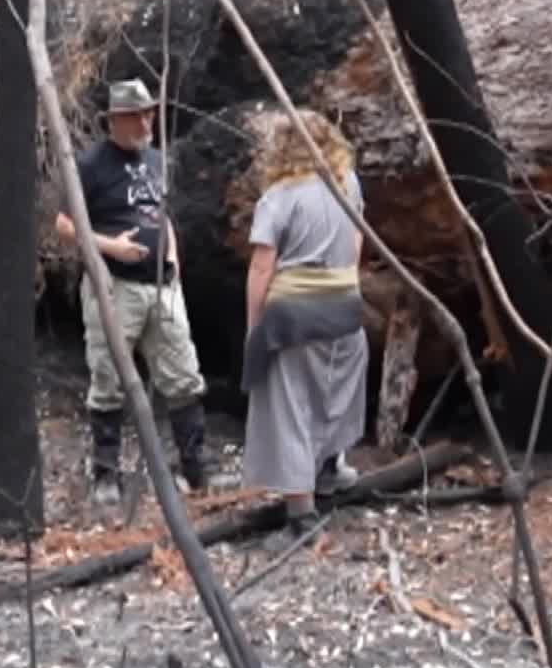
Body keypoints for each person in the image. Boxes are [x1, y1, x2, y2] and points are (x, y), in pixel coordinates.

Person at [55, 78, 213, 504]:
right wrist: (113, 248)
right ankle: (106, 474)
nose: (146, 122)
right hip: (115, 287)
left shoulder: (158, 160)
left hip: (162, 285)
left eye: (150, 113)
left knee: (183, 376)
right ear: (117, 120)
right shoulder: (91, 165)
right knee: (108, 378)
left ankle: (195, 469)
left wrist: (173, 258)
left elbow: (162, 215)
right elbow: (65, 225)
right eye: (138, 115)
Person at [241, 109, 368, 547]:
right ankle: (331, 468)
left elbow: (261, 268)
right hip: (345, 307)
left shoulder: (278, 197)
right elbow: (356, 242)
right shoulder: (348, 183)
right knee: (336, 389)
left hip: (293, 314)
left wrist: (255, 326)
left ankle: (301, 515)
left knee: (291, 404)